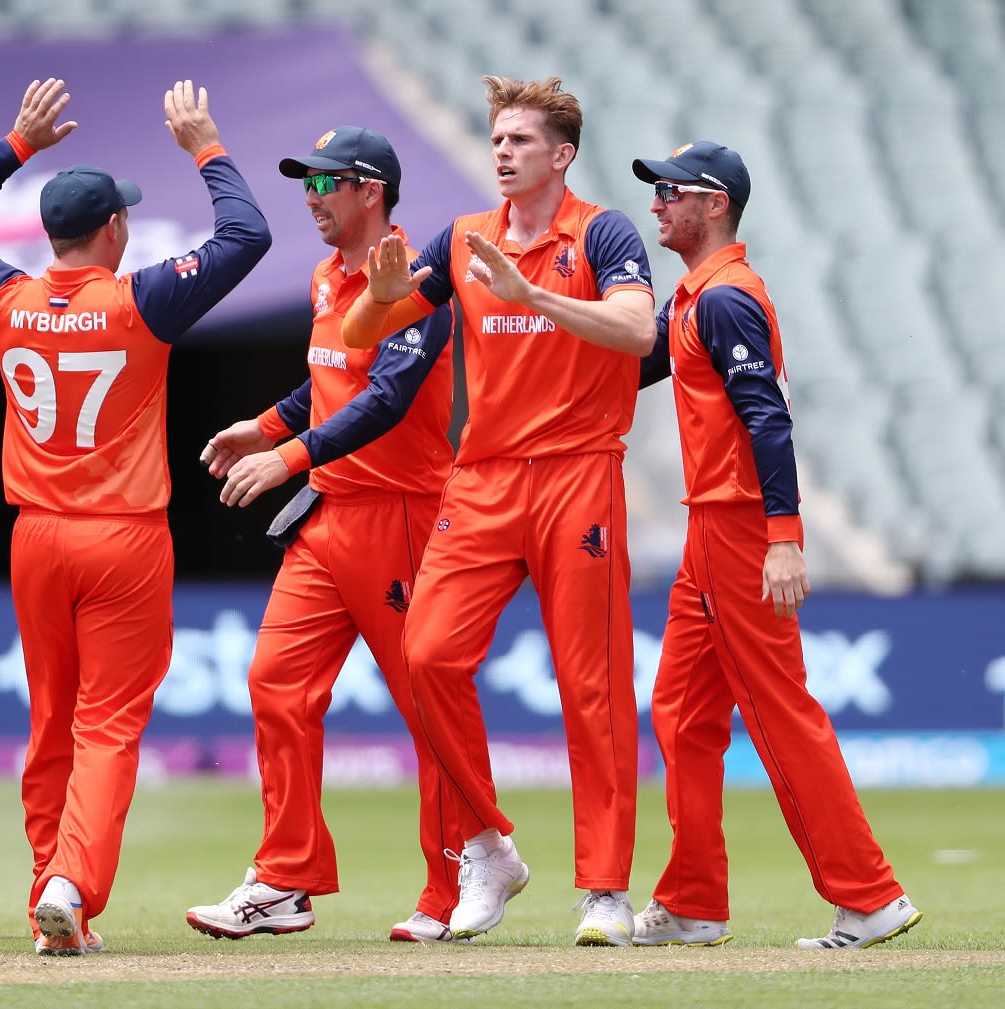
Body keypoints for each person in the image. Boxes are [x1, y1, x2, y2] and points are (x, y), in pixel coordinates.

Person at [0, 78, 271, 956]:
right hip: (122, 538)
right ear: (113, 230)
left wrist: (16, 142)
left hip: (36, 536)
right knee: (108, 724)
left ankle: (54, 899)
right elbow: (247, 235)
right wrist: (204, 143)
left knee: (50, 725)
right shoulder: (138, 301)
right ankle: (72, 885)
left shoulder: (3, 300)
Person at [339, 75, 656, 945]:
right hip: (480, 481)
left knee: (590, 687)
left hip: (577, 474)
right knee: (427, 655)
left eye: (521, 140)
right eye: (498, 140)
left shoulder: (603, 231)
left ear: (562, 154)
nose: (504, 152)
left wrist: (534, 297)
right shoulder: (465, 237)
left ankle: (604, 892)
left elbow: (637, 331)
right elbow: (367, 335)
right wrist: (382, 289)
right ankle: (488, 846)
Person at [627, 141, 922, 950]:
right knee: (681, 712)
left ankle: (870, 895)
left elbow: (768, 416)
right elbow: (624, 360)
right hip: (707, 528)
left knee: (778, 710)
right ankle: (692, 899)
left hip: (738, 525)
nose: (656, 204)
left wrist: (784, 538)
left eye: (670, 192)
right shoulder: (693, 298)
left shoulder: (724, 300)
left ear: (713, 203)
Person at [183, 127, 464, 943]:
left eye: (323, 183)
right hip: (332, 514)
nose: (309, 196)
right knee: (275, 681)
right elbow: (330, 381)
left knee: (428, 709)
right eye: (304, 182)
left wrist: (287, 459)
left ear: (369, 189)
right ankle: (284, 879)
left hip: (402, 514)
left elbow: (388, 398)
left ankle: (449, 891)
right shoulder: (324, 276)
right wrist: (265, 424)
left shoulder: (414, 280)